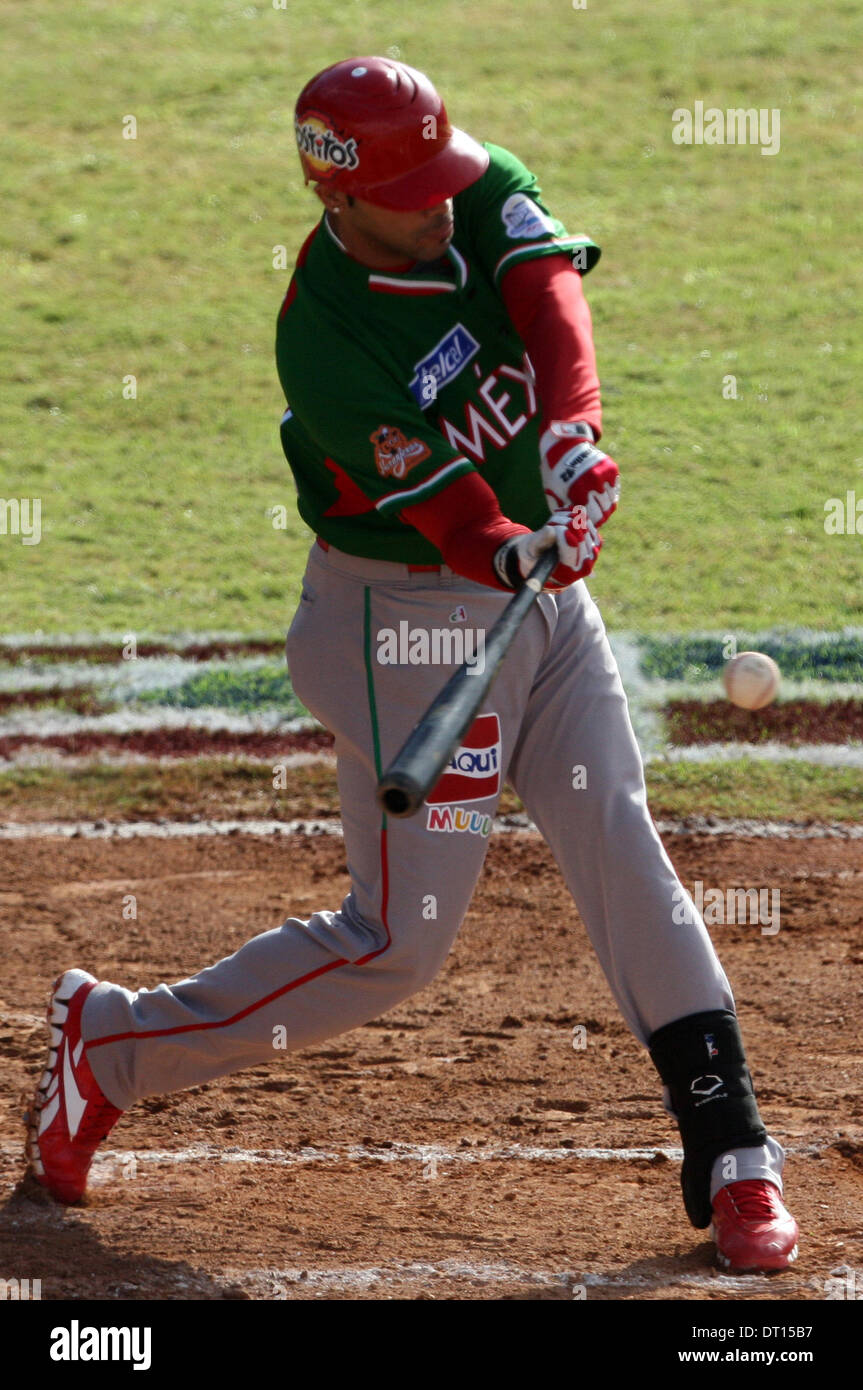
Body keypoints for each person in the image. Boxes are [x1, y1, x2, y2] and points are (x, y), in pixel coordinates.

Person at [26, 56, 799, 1274]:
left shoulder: (464, 186)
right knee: (398, 942)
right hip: (408, 631)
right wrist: (515, 540)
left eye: (442, 172)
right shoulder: (323, 342)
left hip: (535, 600)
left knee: (615, 830)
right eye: (409, 189)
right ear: (337, 198)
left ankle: (731, 1144)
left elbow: (546, 298)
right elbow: (455, 527)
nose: (442, 201)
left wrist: (571, 439)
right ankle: (109, 1046)